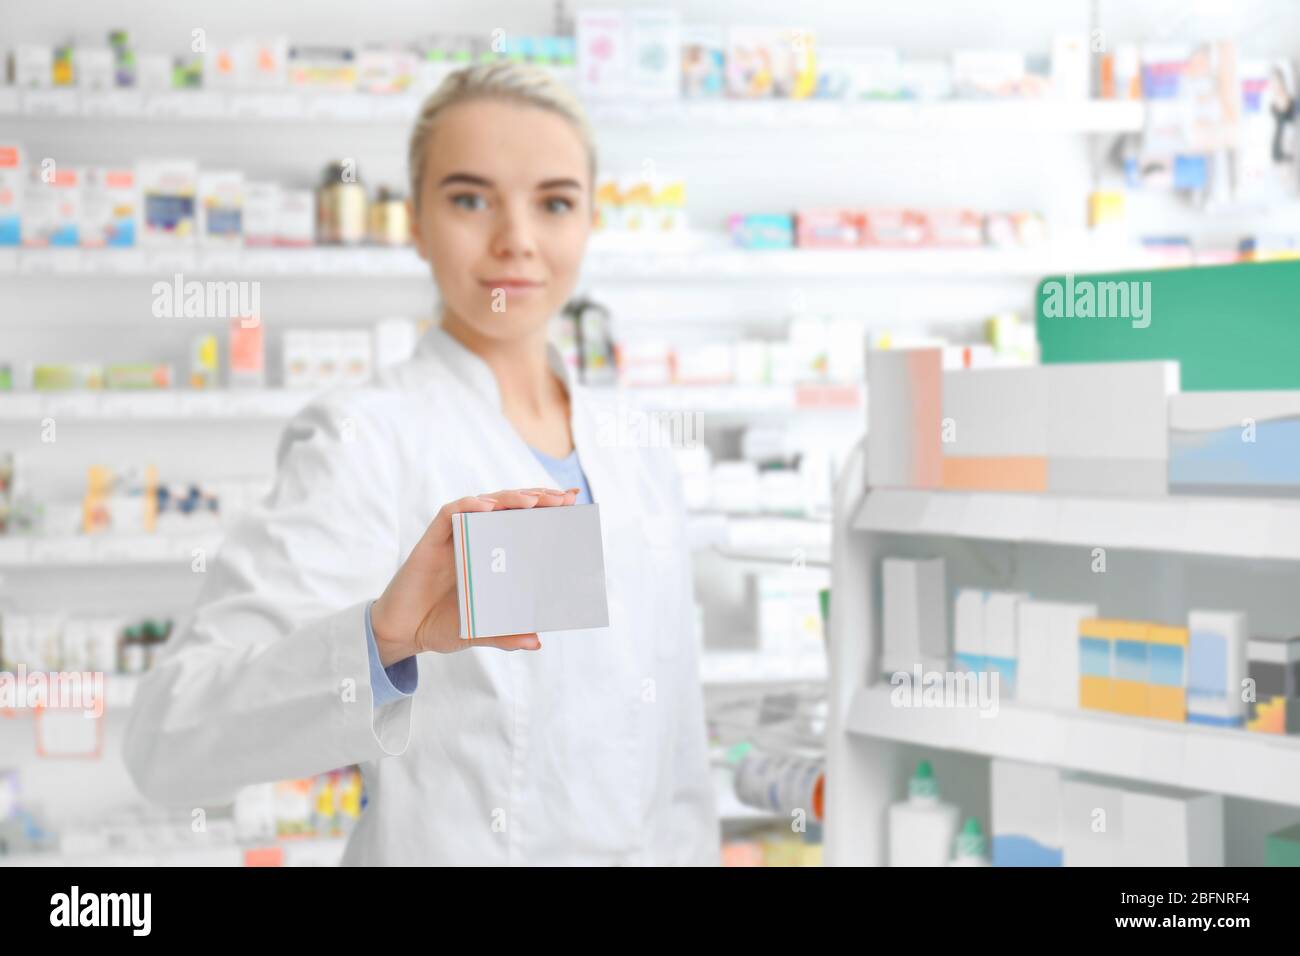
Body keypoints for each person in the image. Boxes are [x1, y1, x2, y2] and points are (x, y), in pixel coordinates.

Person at [124, 62, 720, 866]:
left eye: (554, 202)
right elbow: (170, 740)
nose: (517, 239)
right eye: (470, 198)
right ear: (415, 222)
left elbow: (677, 755)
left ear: (589, 220)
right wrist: (381, 639)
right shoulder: (362, 440)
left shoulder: (639, 449)